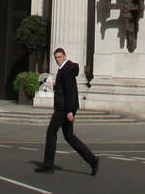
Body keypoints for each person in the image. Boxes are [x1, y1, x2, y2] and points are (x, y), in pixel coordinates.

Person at [34, 47, 99, 175]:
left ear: (64, 56)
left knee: (51, 132)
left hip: (63, 109)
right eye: (56, 57)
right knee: (69, 136)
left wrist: (69, 111)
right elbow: (65, 88)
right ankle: (92, 160)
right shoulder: (65, 69)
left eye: (59, 57)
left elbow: (70, 91)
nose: (58, 59)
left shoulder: (66, 70)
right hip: (65, 107)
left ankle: (48, 166)